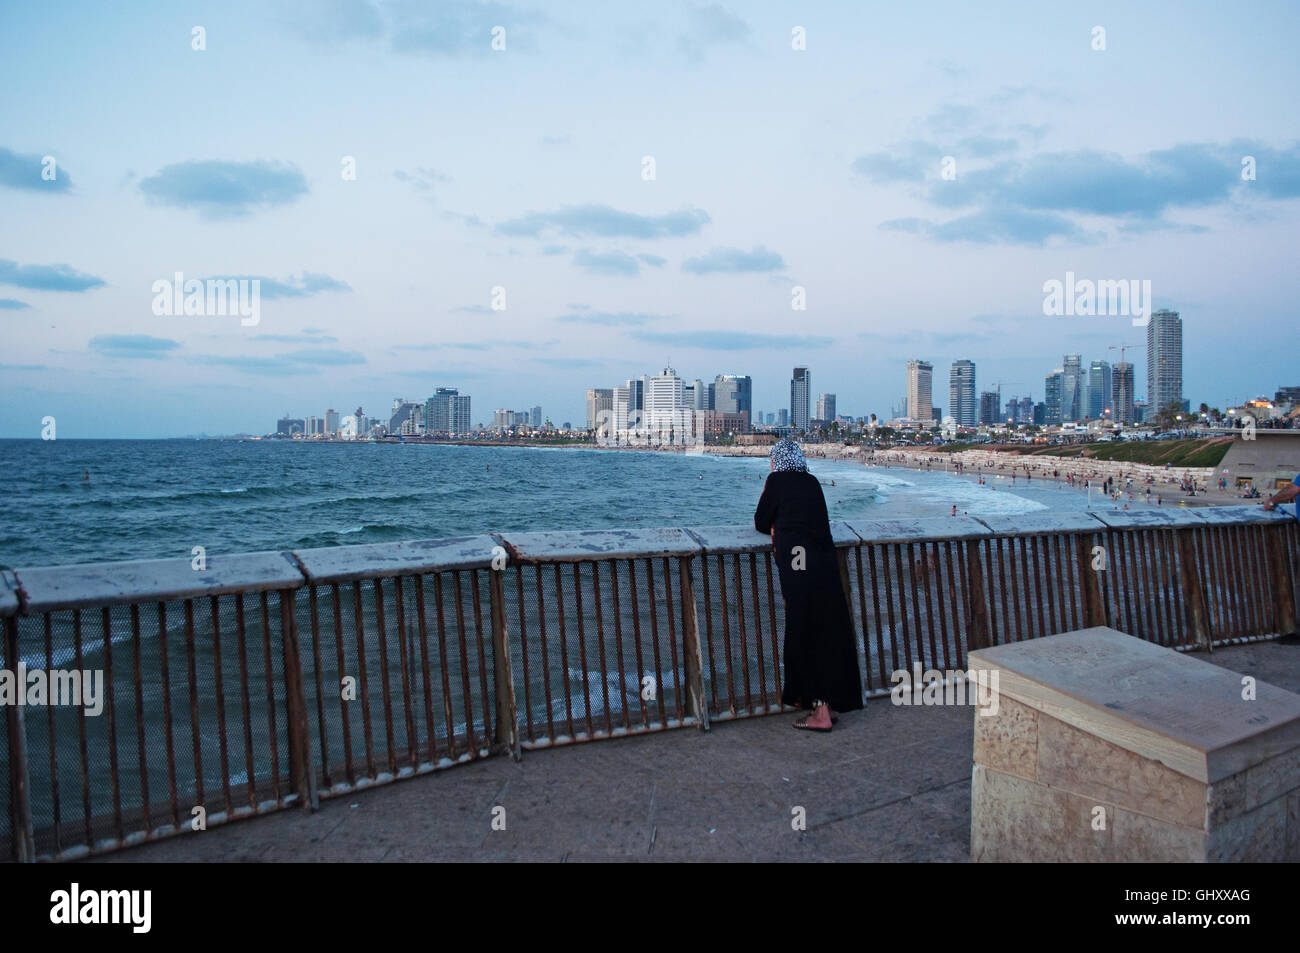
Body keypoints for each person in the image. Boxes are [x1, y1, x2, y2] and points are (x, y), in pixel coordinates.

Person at [754, 440, 863, 732]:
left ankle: (819, 711)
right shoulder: (813, 482)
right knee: (828, 633)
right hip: (825, 565)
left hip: (798, 564)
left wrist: (778, 526)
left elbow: (761, 521)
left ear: (776, 461)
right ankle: (828, 703)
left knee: (803, 633)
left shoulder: (776, 481)